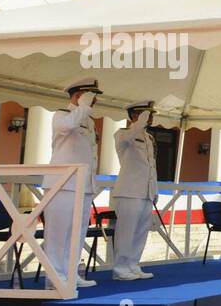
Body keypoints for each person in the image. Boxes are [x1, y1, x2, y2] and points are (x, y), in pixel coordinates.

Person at [44, 76, 103, 289]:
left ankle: (70, 274)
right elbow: (68, 127)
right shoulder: (62, 115)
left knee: (77, 233)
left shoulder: (87, 120)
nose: (94, 102)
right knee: (58, 233)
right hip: (62, 184)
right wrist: (84, 107)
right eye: (90, 97)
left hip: (83, 185)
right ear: (79, 96)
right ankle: (55, 276)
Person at [110, 100, 159, 281]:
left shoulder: (149, 137)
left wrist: (154, 189)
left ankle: (133, 264)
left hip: (145, 191)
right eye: (148, 114)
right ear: (135, 115)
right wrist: (139, 123)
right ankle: (120, 268)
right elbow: (131, 136)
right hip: (129, 191)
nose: (151, 117)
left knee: (140, 231)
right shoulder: (123, 134)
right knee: (126, 231)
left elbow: (151, 167)